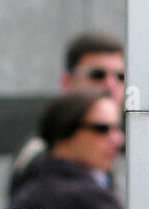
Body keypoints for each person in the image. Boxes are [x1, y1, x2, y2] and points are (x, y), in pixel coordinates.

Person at [9, 32, 125, 196]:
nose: (110, 85)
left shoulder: (94, 154)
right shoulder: (43, 155)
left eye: (120, 77)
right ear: (67, 82)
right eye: (97, 75)